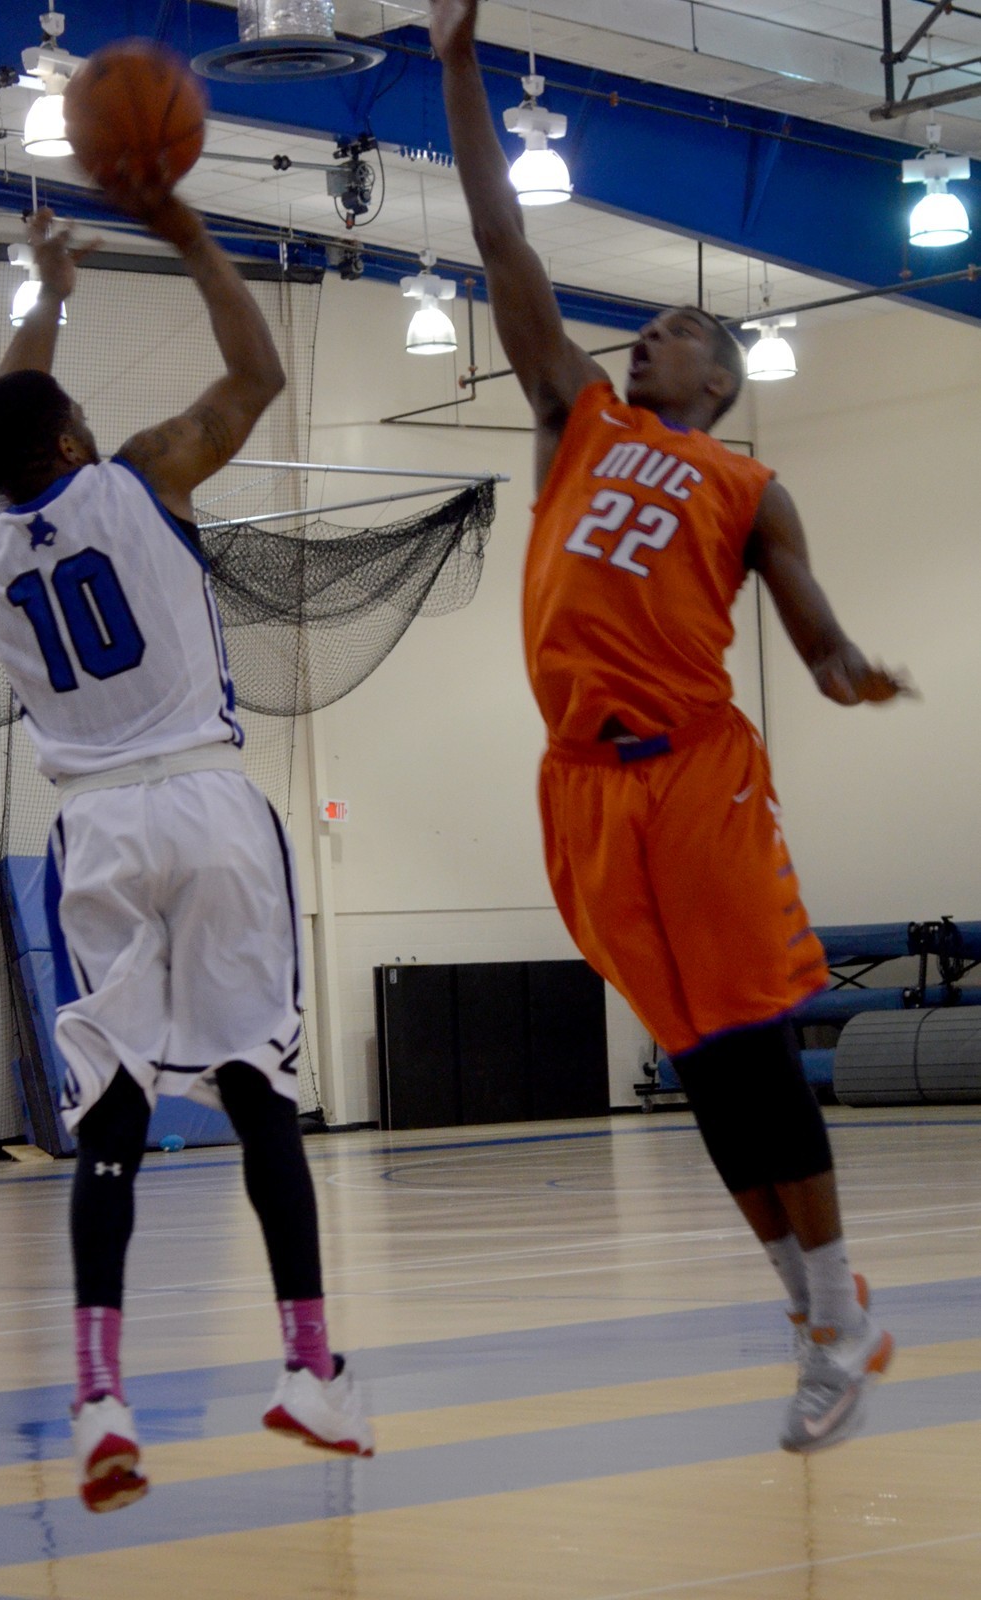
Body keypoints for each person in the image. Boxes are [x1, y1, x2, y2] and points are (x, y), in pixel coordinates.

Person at [429, 0, 911, 1454]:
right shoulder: (579, 422)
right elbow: (506, 250)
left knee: (754, 1047)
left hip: (693, 770)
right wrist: (454, 65)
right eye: (648, 324)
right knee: (699, 1068)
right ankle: (818, 1313)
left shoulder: (745, 488)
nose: (653, 333)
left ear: (724, 382)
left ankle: (837, 1312)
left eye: (683, 330)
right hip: (581, 788)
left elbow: (813, 631)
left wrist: (843, 669)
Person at [0, 194, 373, 1513]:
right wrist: (185, 235)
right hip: (203, 797)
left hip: (91, 829)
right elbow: (258, 374)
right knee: (255, 1087)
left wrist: (45, 299)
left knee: (115, 1115)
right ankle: (308, 1366)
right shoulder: (142, 473)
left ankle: (99, 1393)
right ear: (74, 437)